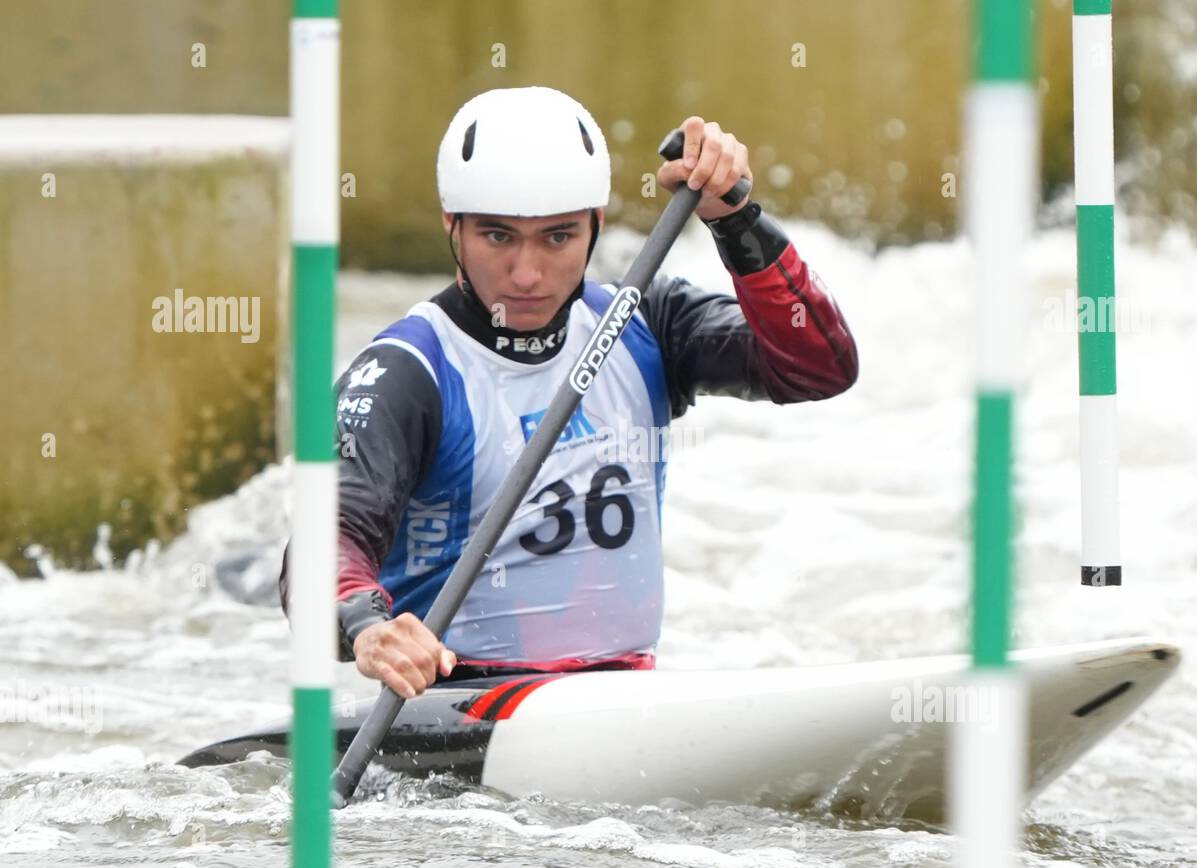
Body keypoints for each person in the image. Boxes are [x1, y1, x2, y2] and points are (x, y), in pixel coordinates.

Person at [279, 86, 858, 699]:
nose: (527, 274)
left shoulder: (646, 321)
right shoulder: (407, 372)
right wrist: (368, 627)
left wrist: (737, 218)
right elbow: (324, 542)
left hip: (623, 698)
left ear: (596, 227)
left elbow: (818, 366)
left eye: (557, 238)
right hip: (460, 714)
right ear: (453, 227)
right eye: (498, 237)